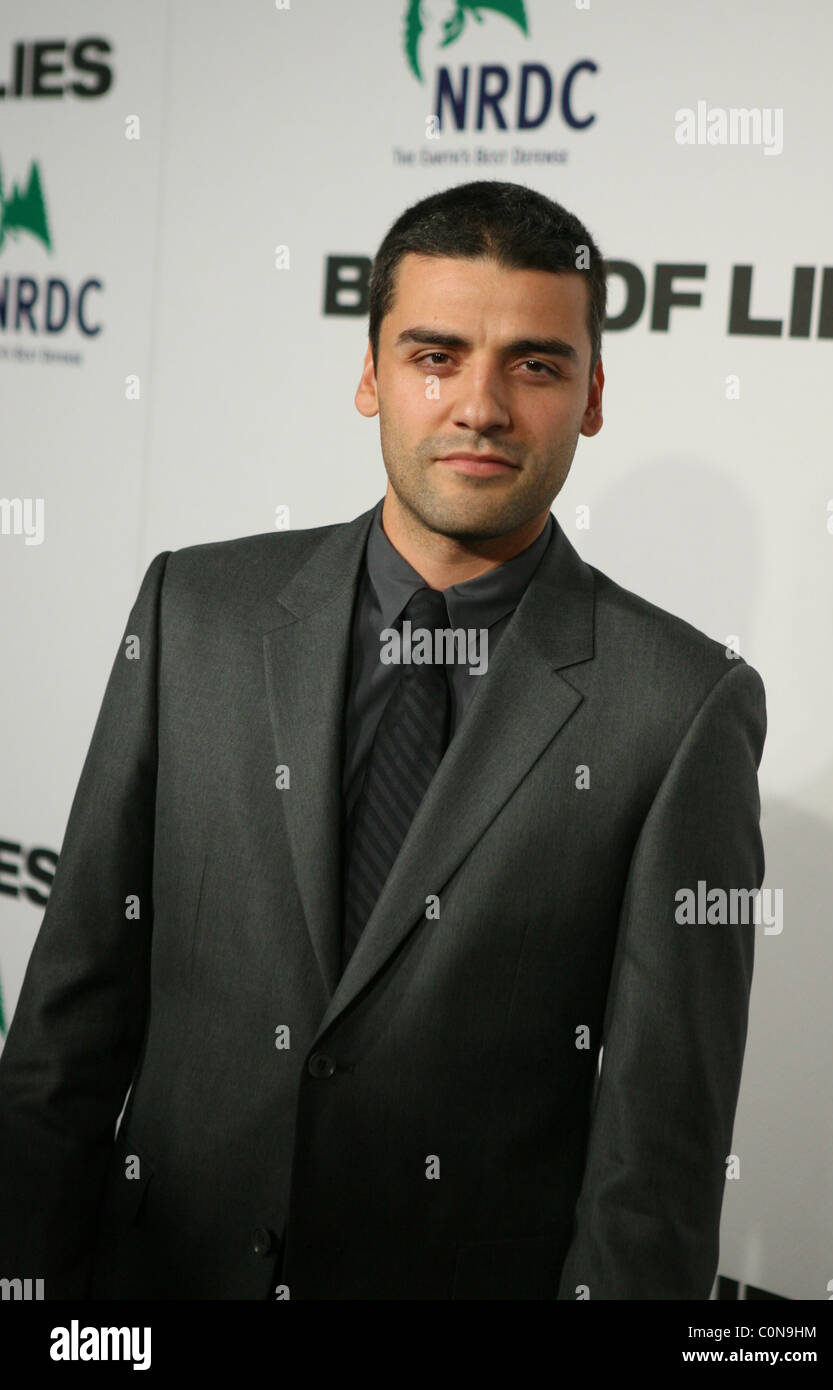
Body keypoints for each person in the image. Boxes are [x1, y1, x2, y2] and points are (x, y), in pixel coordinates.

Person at [0, 180, 766, 1300]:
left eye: (536, 365)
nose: (481, 406)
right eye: (436, 355)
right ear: (371, 376)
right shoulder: (194, 613)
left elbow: (655, 1174)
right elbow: (69, 1025)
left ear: (594, 395)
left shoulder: (682, 705)